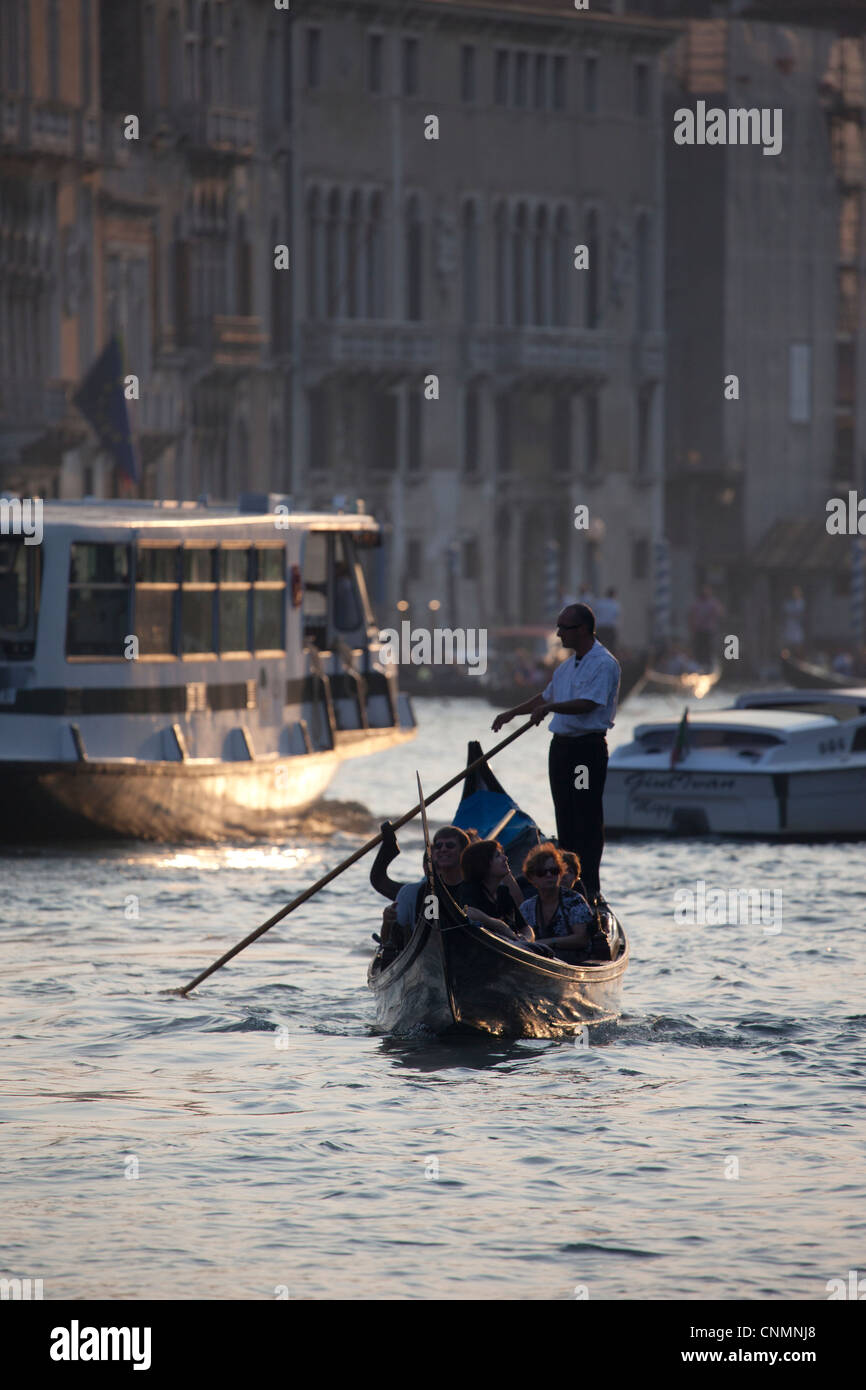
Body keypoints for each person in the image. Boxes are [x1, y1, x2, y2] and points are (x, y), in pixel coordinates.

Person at [491, 603, 620, 899]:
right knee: (565, 815)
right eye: (559, 626)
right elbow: (546, 696)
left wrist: (549, 708)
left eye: (565, 627)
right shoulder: (566, 666)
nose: (559, 633)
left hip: (585, 753)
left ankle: (589, 886)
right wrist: (513, 713)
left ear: (584, 630)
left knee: (585, 816)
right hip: (561, 749)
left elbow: (589, 703)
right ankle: (567, 883)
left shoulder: (603, 663)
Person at [370, 822, 471, 944]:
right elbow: (388, 941)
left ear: (464, 853)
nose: (443, 849)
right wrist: (387, 922)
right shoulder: (413, 892)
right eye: (438, 846)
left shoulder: (477, 889)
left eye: (450, 845)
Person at [518, 843, 595, 960]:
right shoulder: (526, 908)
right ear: (531, 878)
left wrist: (546, 942)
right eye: (542, 872)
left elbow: (581, 939)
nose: (549, 875)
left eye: (554, 871)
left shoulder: (574, 900)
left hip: (574, 961)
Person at [688, 585, 723, 670]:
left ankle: (709, 664)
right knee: (699, 647)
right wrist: (692, 627)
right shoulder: (697, 603)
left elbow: (720, 613)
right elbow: (691, 615)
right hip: (699, 630)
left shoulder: (713, 603)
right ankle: (698, 664)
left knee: (708, 647)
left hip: (709, 630)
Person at [594, 587, 621, 653]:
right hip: (610, 628)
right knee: (611, 648)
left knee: (600, 647)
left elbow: (595, 613)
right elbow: (616, 617)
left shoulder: (600, 603)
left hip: (600, 628)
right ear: (614, 595)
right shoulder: (615, 605)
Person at [781, 585, 805, 655]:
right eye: (794, 592)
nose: (795, 593)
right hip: (789, 627)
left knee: (798, 644)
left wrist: (795, 615)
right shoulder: (788, 603)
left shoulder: (801, 602)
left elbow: (800, 614)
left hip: (798, 627)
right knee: (787, 645)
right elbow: (786, 614)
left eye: (797, 592)